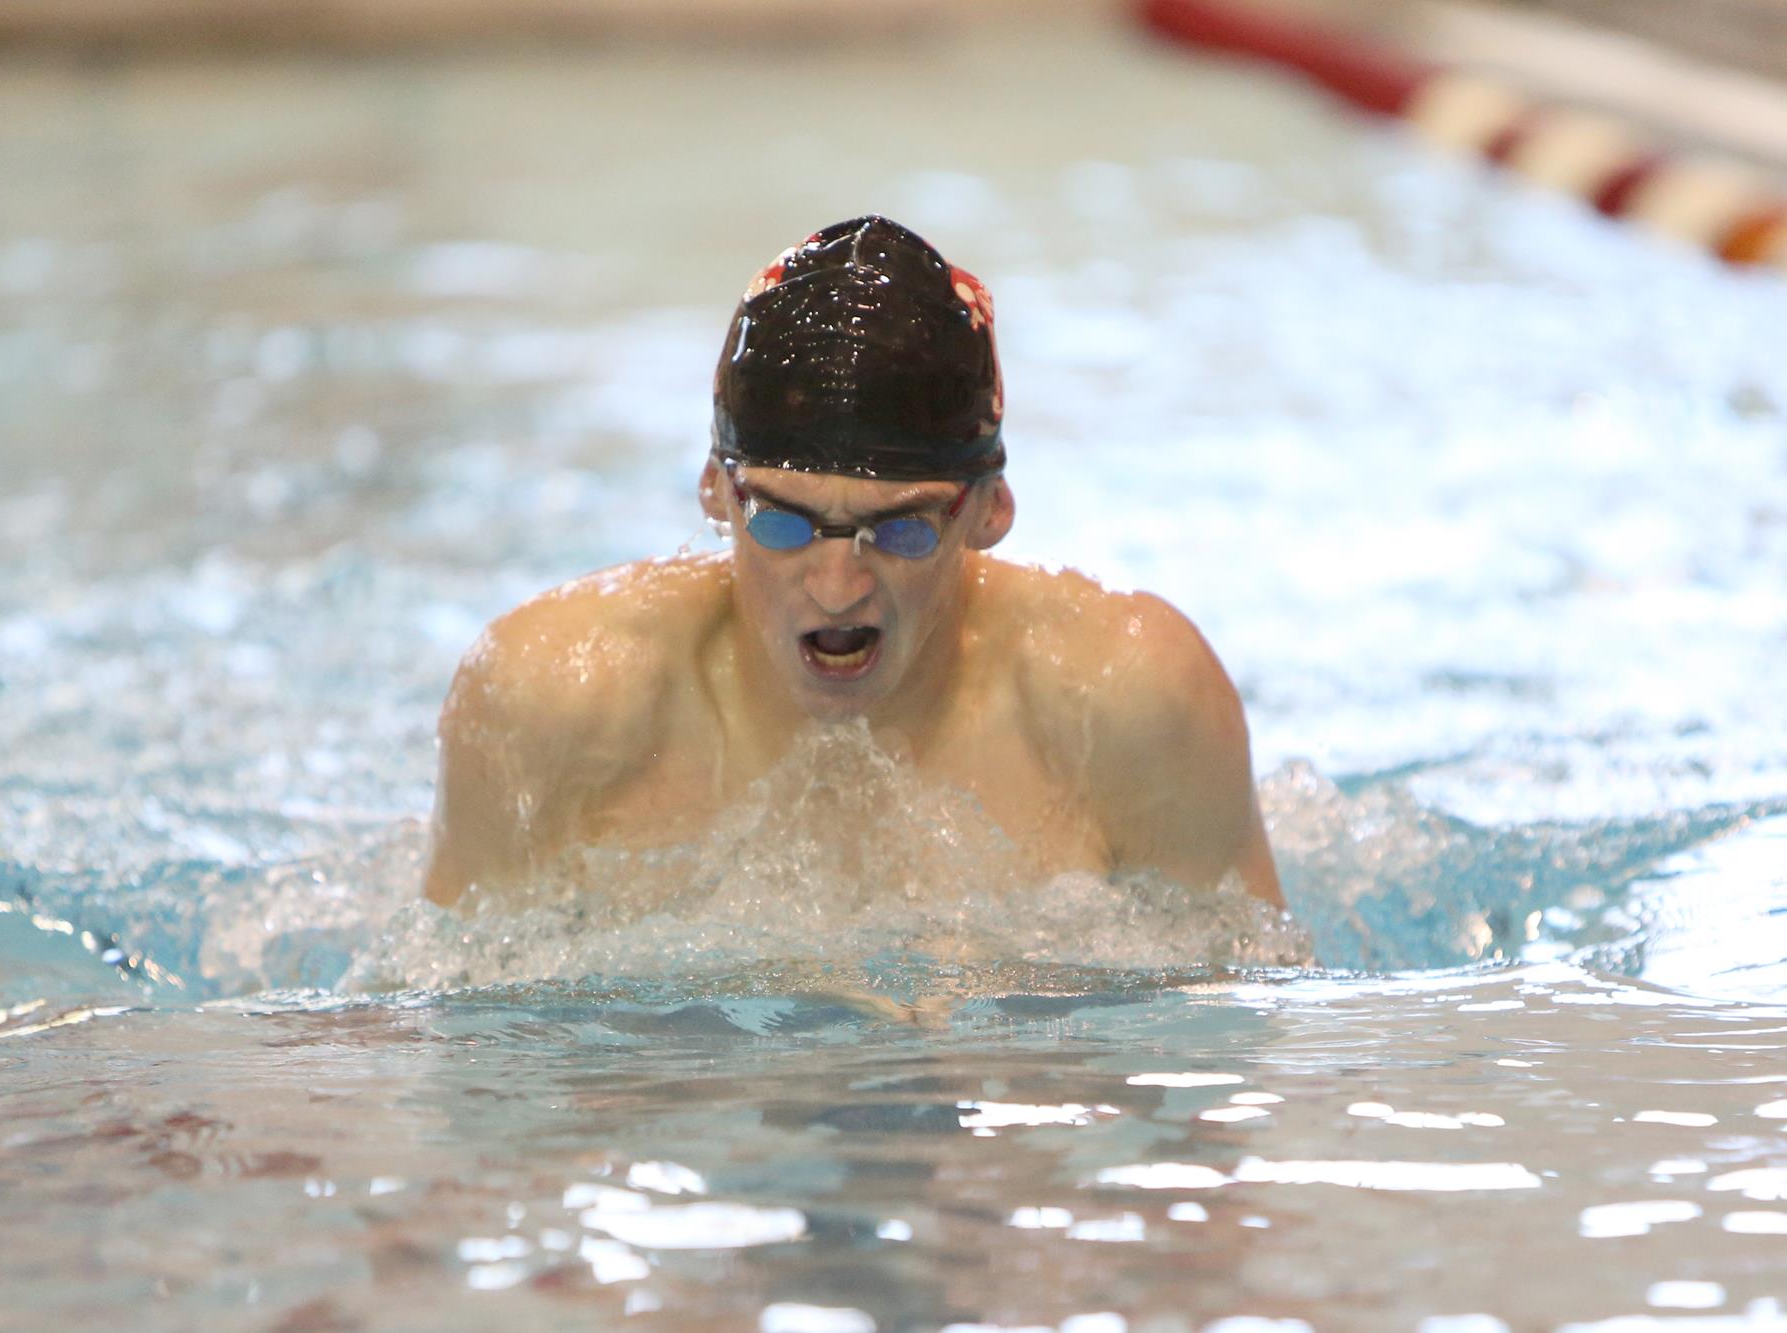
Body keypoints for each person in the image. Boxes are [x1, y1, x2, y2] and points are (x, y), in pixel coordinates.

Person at [424, 215, 1281, 912]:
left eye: (900, 532)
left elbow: (1229, 1055)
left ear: (990, 512)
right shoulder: (549, 703)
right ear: (716, 493)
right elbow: (454, 1056)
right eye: (786, 526)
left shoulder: (1133, 705)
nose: (837, 587)